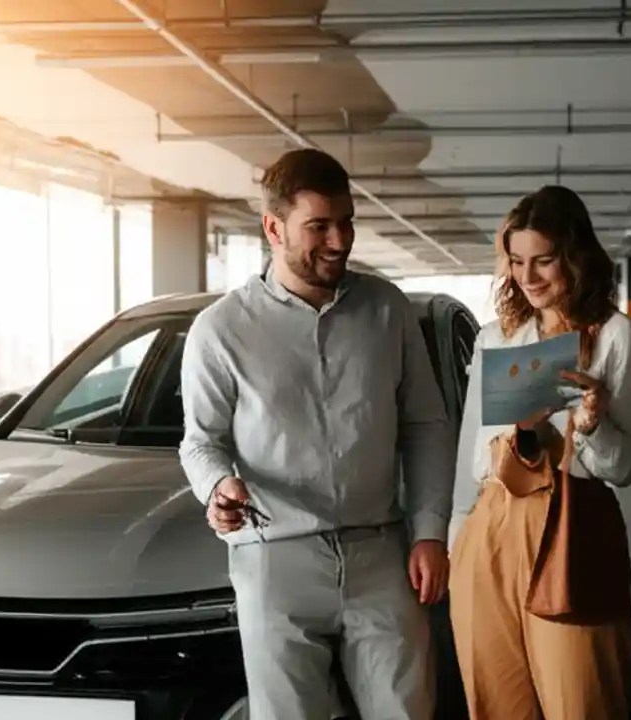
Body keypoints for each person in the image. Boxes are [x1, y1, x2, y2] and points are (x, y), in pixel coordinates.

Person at [178, 147, 455, 720]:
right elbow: (201, 440)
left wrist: (430, 530)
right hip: (275, 558)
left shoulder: (387, 310)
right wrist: (217, 487)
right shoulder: (221, 330)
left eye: (346, 221)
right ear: (273, 228)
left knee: (407, 712)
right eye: (319, 226)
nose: (339, 240)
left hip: (382, 553)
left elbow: (425, 426)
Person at [447, 185, 631, 719]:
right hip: (491, 527)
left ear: (576, 257)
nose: (529, 277)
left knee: (581, 700)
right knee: (495, 704)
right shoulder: (499, 337)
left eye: (544, 260)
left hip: (570, 524)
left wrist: (589, 423)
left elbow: (626, 467)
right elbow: (472, 459)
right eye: (517, 262)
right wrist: (457, 541)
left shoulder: (617, 339)